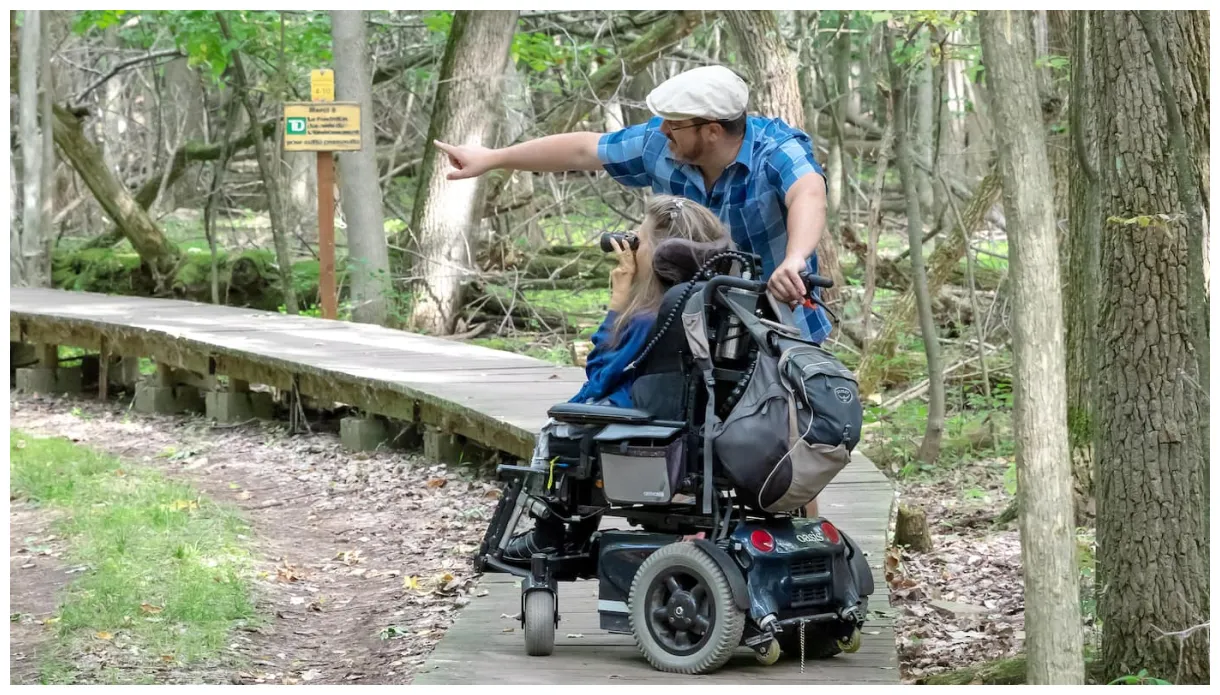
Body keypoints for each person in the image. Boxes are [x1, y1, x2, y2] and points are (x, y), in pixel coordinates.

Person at [433, 64, 832, 347]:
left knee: (781, 435)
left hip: (778, 318)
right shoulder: (662, 145)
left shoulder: (774, 148)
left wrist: (794, 260)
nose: (661, 130)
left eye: (673, 123)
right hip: (689, 318)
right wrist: (493, 157)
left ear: (712, 131)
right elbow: (581, 150)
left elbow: (808, 192)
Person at [502, 195, 730, 564]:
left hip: (646, 422)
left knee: (560, 431)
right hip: (700, 425)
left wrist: (618, 302)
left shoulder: (647, 317)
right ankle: (575, 535)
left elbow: (599, 377)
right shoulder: (712, 304)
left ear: (658, 256)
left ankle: (549, 534)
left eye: (638, 241)